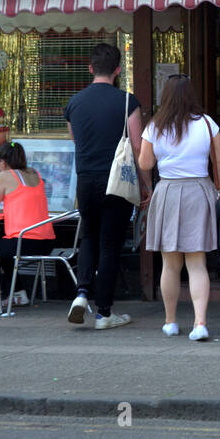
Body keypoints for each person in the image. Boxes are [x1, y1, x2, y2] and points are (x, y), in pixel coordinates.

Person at [63, 43, 151, 330]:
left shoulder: (74, 103)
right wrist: (146, 185)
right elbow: (138, 149)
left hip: (86, 180)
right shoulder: (127, 102)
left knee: (88, 236)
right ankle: (104, 312)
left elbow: (76, 140)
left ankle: (81, 293)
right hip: (118, 181)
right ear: (118, 70)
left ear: (90, 69)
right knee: (111, 244)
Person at [138, 74, 220, 341]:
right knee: (197, 263)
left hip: (168, 191)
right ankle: (200, 323)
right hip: (199, 189)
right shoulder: (207, 124)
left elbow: (145, 164)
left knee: (170, 264)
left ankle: (171, 321)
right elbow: (219, 161)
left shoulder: (155, 126)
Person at [0, 141, 54, 313]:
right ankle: (19, 293)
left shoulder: (6, 176)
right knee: (4, 251)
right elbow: (18, 196)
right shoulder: (34, 173)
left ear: (2, 162)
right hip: (46, 241)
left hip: (25, 240)